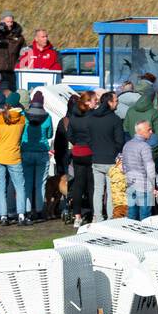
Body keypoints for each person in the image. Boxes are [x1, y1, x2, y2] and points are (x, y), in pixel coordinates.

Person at [88, 90, 124, 221]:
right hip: (110, 160)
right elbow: (120, 141)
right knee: (110, 192)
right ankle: (110, 218)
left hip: (96, 159)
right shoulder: (115, 120)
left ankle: (97, 217)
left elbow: (88, 138)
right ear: (109, 102)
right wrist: (114, 151)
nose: (117, 103)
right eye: (116, 100)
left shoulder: (92, 118)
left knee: (98, 190)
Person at [18, 89, 52, 222]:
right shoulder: (47, 117)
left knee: (27, 183)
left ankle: (27, 210)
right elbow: (49, 135)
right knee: (40, 183)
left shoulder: (24, 116)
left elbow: (20, 133)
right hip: (42, 153)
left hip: (26, 152)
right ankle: (38, 210)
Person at [0, 91, 28, 225]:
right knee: (19, 187)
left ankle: (3, 216)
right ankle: (21, 215)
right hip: (14, 156)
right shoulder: (22, 119)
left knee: (1, 187)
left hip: (0, 156)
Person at [65, 90, 95, 227]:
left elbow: (69, 135)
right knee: (91, 185)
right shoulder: (92, 117)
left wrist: (77, 142)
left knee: (78, 185)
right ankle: (95, 214)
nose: (97, 102)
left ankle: (77, 216)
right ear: (88, 102)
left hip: (77, 152)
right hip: (90, 152)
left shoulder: (73, 117)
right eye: (94, 100)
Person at [121, 120, 156, 220]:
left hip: (130, 183)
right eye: (148, 130)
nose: (151, 132)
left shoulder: (127, 145)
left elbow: (124, 166)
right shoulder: (145, 146)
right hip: (144, 185)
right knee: (145, 216)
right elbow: (150, 168)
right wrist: (154, 184)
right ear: (140, 131)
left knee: (131, 214)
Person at [123, 81, 158, 159]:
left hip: (133, 152)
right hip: (150, 153)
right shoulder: (155, 113)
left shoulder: (130, 110)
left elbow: (125, 130)